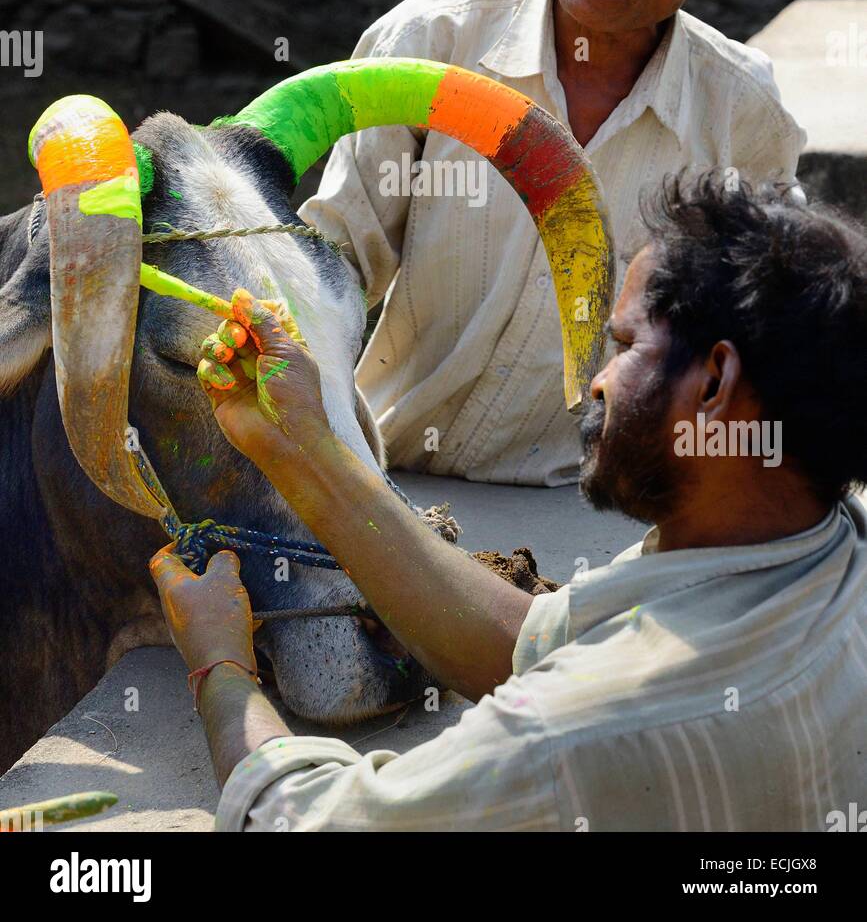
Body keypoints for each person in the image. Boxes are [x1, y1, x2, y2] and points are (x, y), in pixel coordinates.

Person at [150, 172, 867, 832]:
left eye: (625, 348)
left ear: (713, 385)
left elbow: (293, 821)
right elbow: (526, 642)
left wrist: (221, 668)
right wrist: (300, 447)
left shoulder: (579, 732)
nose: (598, 382)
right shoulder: (832, 549)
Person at [297, 0, 807, 486]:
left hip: (596, 506)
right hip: (390, 477)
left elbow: (751, 336)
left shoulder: (742, 112)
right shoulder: (433, 42)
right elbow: (336, 257)